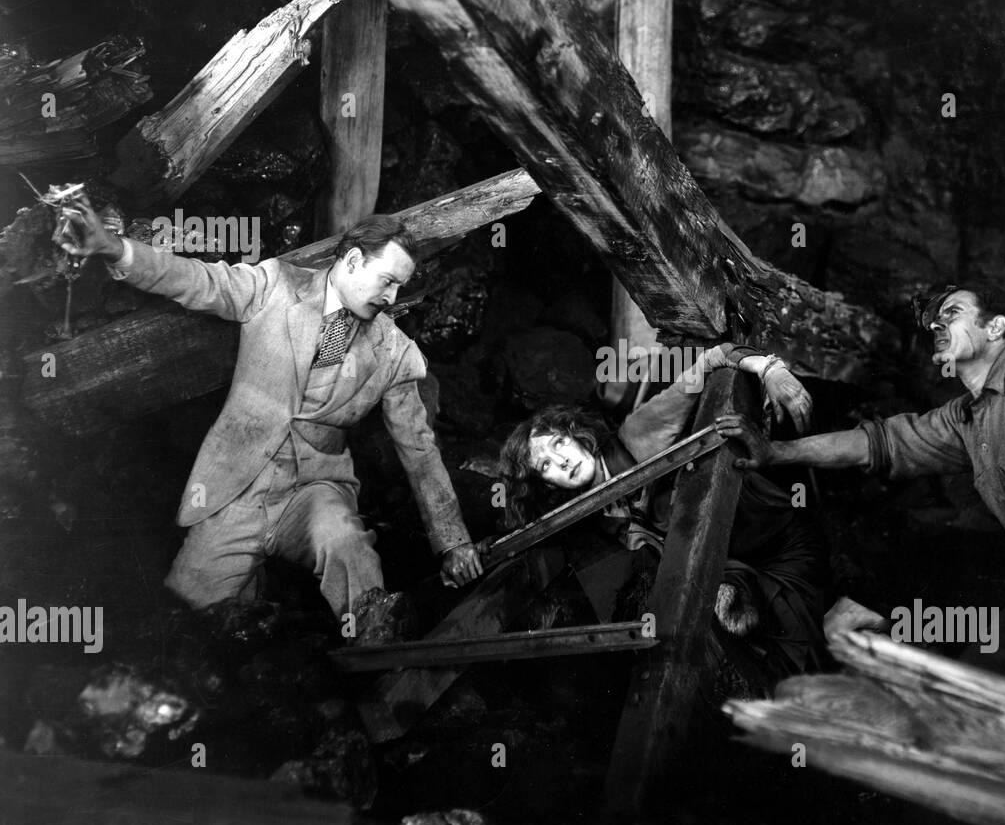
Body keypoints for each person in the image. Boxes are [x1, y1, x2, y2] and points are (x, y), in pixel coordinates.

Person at [717, 283, 1005, 716]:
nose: (937, 323)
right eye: (934, 318)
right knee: (968, 692)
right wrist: (776, 451)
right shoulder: (967, 416)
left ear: (995, 329)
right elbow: (881, 443)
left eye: (952, 313)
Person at [55, 198, 482, 644]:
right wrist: (111, 247)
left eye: (400, 287)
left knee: (344, 540)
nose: (393, 297)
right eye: (388, 281)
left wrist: (452, 543)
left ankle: (375, 646)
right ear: (354, 260)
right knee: (186, 622)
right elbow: (194, 280)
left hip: (315, 490)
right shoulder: (274, 285)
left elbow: (419, 449)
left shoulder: (396, 353)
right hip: (235, 490)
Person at [498, 344, 828, 685]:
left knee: (799, 663)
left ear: (576, 434)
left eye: (559, 444)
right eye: (545, 465)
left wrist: (770, 369)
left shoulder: (638, 433)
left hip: (776, 540)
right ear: (544, 483)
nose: (562, 461)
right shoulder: (592, 518)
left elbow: (713, 359)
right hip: (736, 568)